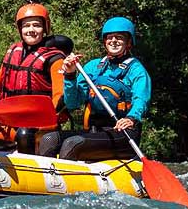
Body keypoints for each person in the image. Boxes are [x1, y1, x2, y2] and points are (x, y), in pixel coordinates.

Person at [37, 16, 151, 161]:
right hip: (94, 131)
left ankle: (68, 182)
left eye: (119, 37)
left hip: (124, 134)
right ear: (104, 41)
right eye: (110, 37)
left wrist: (131, 118)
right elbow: (72, 103)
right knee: (49, 139)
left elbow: (141, 99)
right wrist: (70, 75)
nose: (113, 41)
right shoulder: (93, 67)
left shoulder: (136, 70)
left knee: (72, 144)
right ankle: (47, 180)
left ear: (129, 42)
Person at [0, 3, 71, 153]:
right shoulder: (13, 51)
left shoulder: (55, 58)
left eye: (37, 25)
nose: (31, 30)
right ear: (20, 29)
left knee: (25, 135)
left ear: (45, 29)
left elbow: (60, 96)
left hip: (40, 123)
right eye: (26, 26)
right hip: (11, 119)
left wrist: (43, 120)